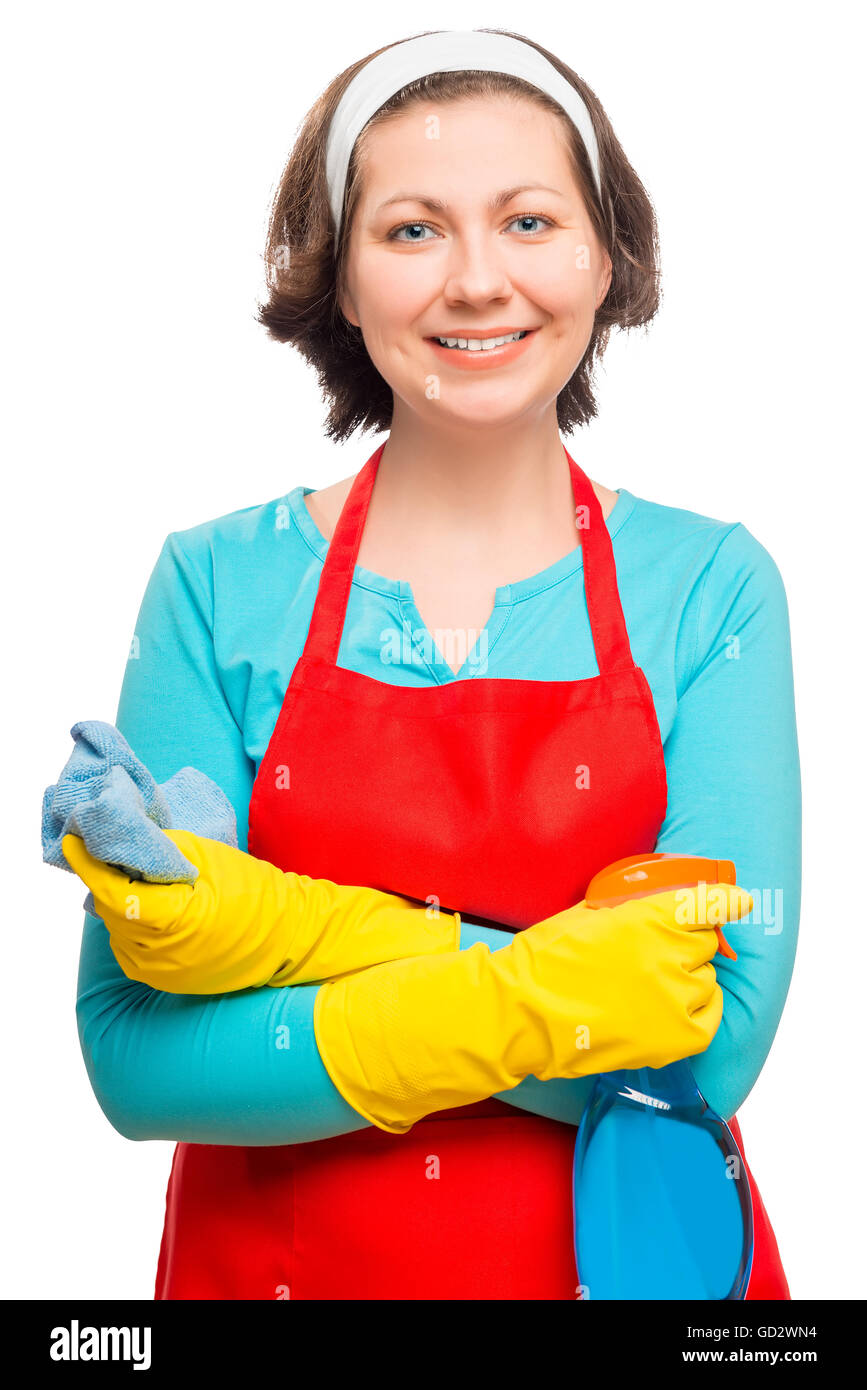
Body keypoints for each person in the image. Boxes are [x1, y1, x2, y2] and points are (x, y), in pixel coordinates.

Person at [71, 26, 800, 1300]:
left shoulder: (712, 590)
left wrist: (278, 943)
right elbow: (137, 1057)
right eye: (412, 230)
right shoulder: (213, 585)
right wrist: (537, 990)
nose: (477, 281)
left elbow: (710, 1048)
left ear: (606, 256)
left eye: (529, 221)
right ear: (341, 280)